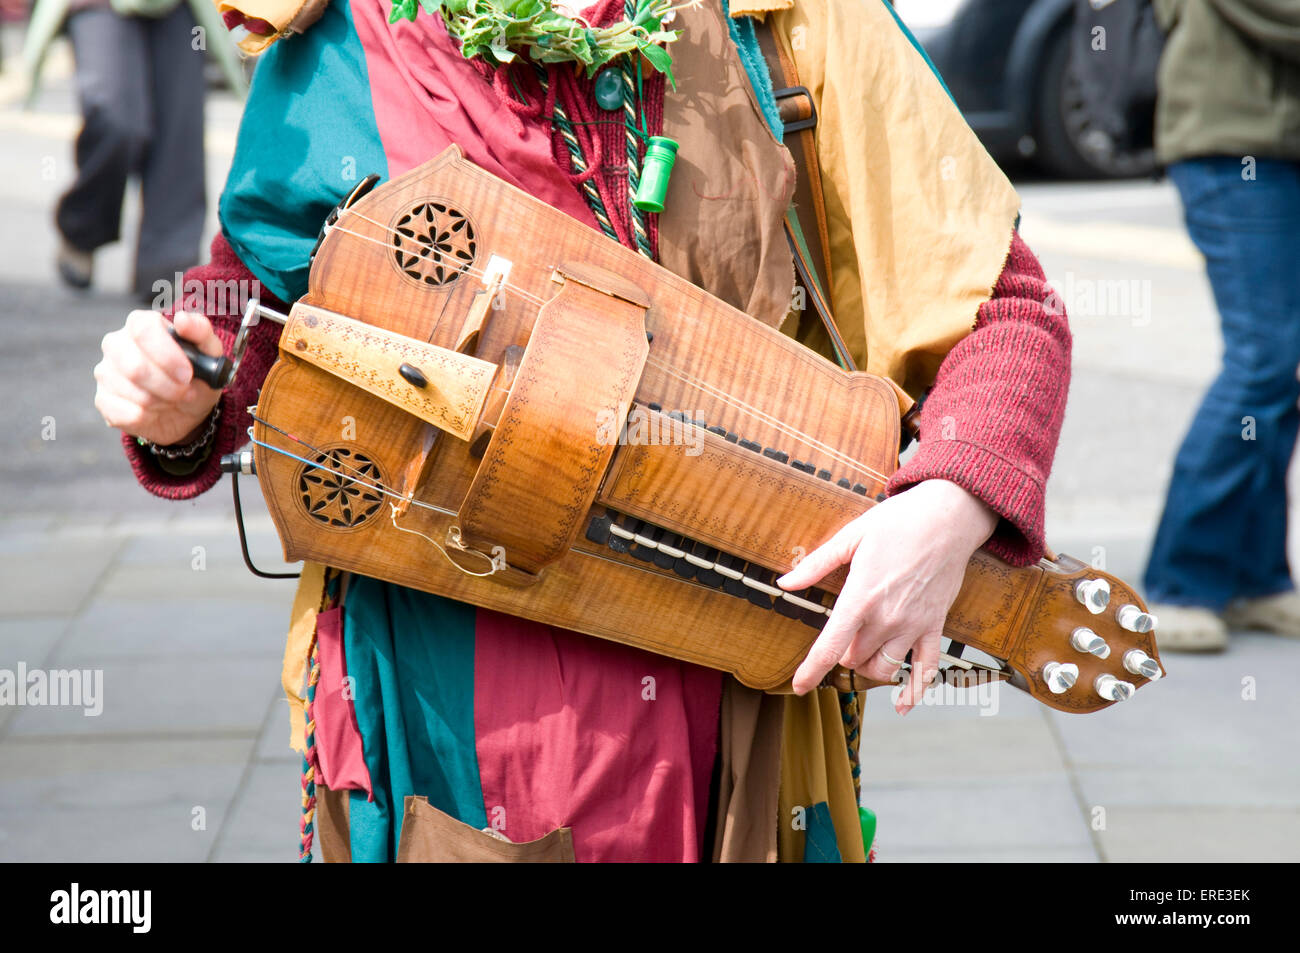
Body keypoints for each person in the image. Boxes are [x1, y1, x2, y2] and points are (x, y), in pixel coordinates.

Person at [93, 0, 1069, 862]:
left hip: (730, 668)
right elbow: (252, 297)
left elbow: (1003, 302)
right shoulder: (347, 36)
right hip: (440, 672)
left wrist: (948, 505)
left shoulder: (787, 21)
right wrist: (181, 393)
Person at [1142, 0, 1300, 651]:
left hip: (1272, 143)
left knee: (1281, 365)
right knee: (1262, 359)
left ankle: (1253, 576)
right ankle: (1181, 578)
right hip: (1234, 149)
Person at [26, 0, 210, 298]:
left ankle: (166, 263)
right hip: (100, 5)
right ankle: (83, 227)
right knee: (115, 119)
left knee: (179, 128)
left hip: (181, 7)